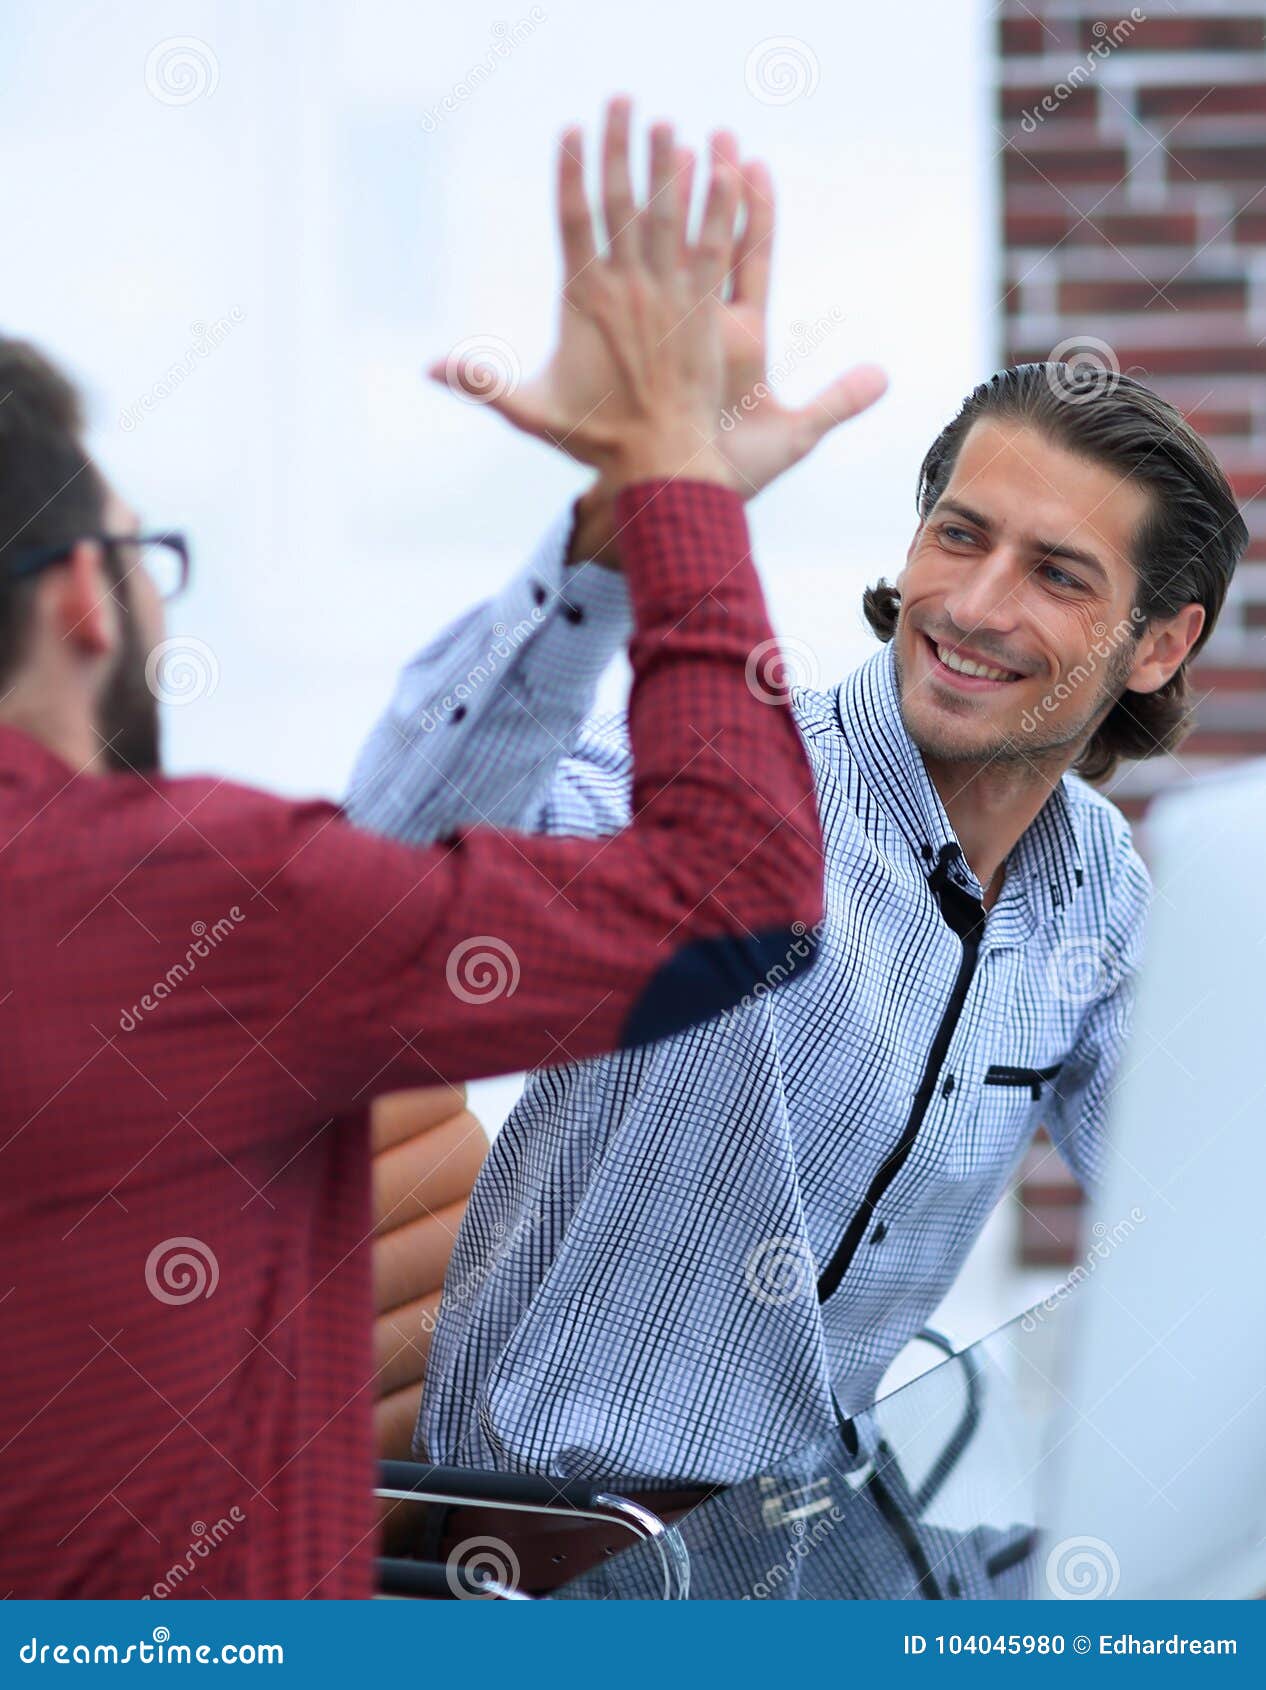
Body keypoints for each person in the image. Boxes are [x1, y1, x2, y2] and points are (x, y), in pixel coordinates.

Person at [347, 139, 1248, 1586]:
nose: (971, 602)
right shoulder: (718, 774)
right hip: (575, 1550)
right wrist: (614, 531)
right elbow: (393, 861)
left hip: (811, 1534)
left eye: (1055, 571)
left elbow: (1215, 1192)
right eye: (958, 535)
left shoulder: (1095, 884)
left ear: (1157, 644)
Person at [0, 103, 825, 1598]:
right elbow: (738, 892)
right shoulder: (185, 899)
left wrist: (609, 532)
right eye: (147, 554)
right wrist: (674, 486)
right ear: (82, 601)